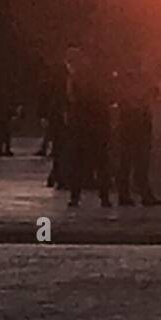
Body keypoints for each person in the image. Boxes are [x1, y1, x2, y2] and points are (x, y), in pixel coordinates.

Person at [66, 48, 111, 208]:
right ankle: (104, 197)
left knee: (78, 163)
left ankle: (75, 197)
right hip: (97, 125)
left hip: (82, 125)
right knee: (101, 163)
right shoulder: (96, 76)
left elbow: (73, 98)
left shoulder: (76, 78)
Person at [115, 67, 161, 207]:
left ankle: (128, 193)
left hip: (132, 120)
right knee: (136, 159)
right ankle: (140, 192)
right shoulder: (141, 78)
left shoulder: (124, 79)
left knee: (130, 159)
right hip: (136, 119)